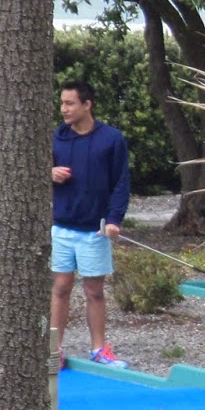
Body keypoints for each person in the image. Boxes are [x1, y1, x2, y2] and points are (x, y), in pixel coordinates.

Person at [51, 80, 131, 368]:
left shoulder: (111, 139)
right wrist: (50, 172)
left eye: (70, 103)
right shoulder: (56, 138)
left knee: (94, 291)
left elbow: (121, 183)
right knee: (60, 287)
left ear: (87, 105)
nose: (64, 109)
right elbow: (34, 169)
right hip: (61, 227)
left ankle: (99, 350)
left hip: (94, 229)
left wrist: (114, 220)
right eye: (62, 103)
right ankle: (54, 350)